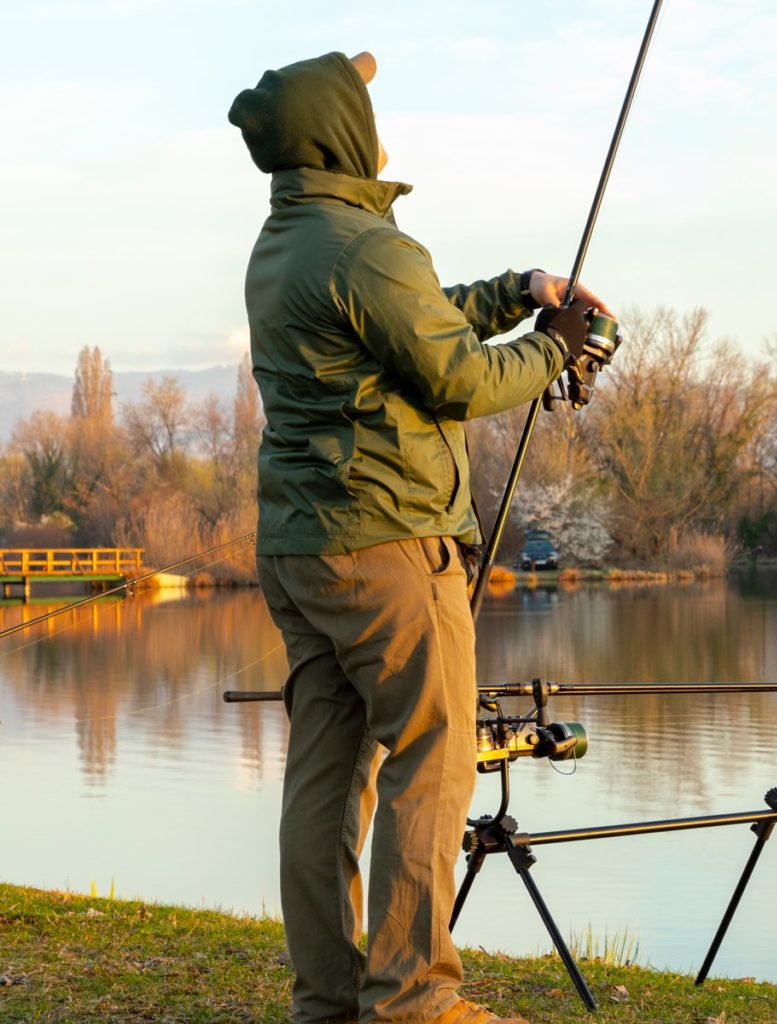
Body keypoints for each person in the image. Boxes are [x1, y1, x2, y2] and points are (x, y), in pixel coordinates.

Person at [229, 50, 606, 1024]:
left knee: (324, 779)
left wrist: (517, 289)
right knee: (432, 760)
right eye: (365, 108)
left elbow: (412, 323)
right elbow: (457, 379)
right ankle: (414, 1002)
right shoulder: (363, 245)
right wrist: (555, 347)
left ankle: (327, 1001)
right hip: (390, 549)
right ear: (341, 133)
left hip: (302, 550)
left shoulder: (286, 240)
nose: (380, 126)